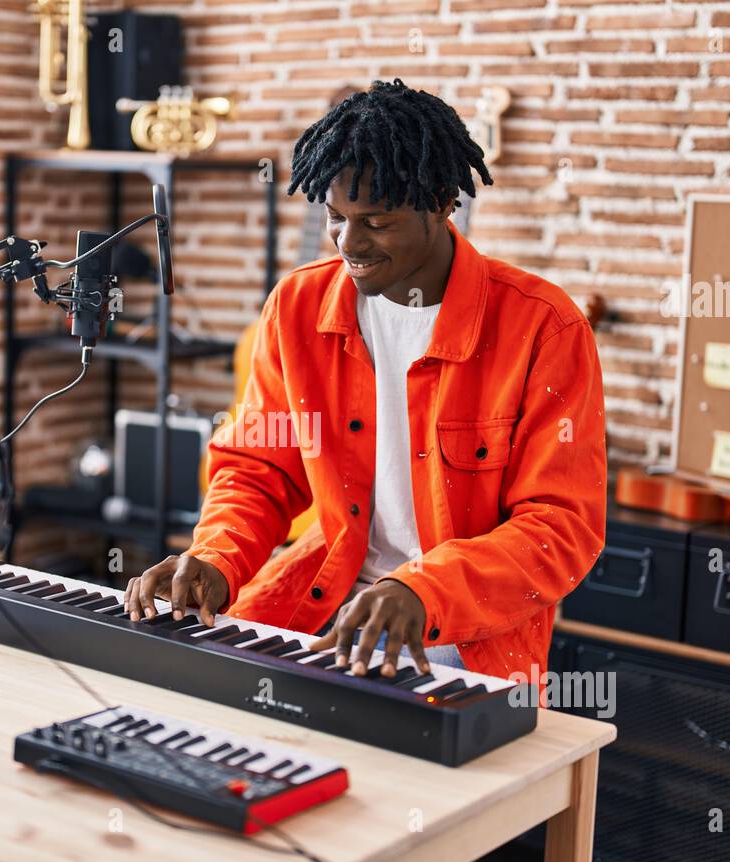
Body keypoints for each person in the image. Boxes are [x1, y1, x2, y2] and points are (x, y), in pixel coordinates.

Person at [124, 78, 606, 684]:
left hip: (463, 633)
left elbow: (559, 529)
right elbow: (258, 471)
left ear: (439, 203)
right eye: (335, 217)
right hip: (319, 601)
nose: (349, 243)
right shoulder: (297, 305)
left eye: (376, 221)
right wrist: (218, 557)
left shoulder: (544, 327)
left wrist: (423, 593)